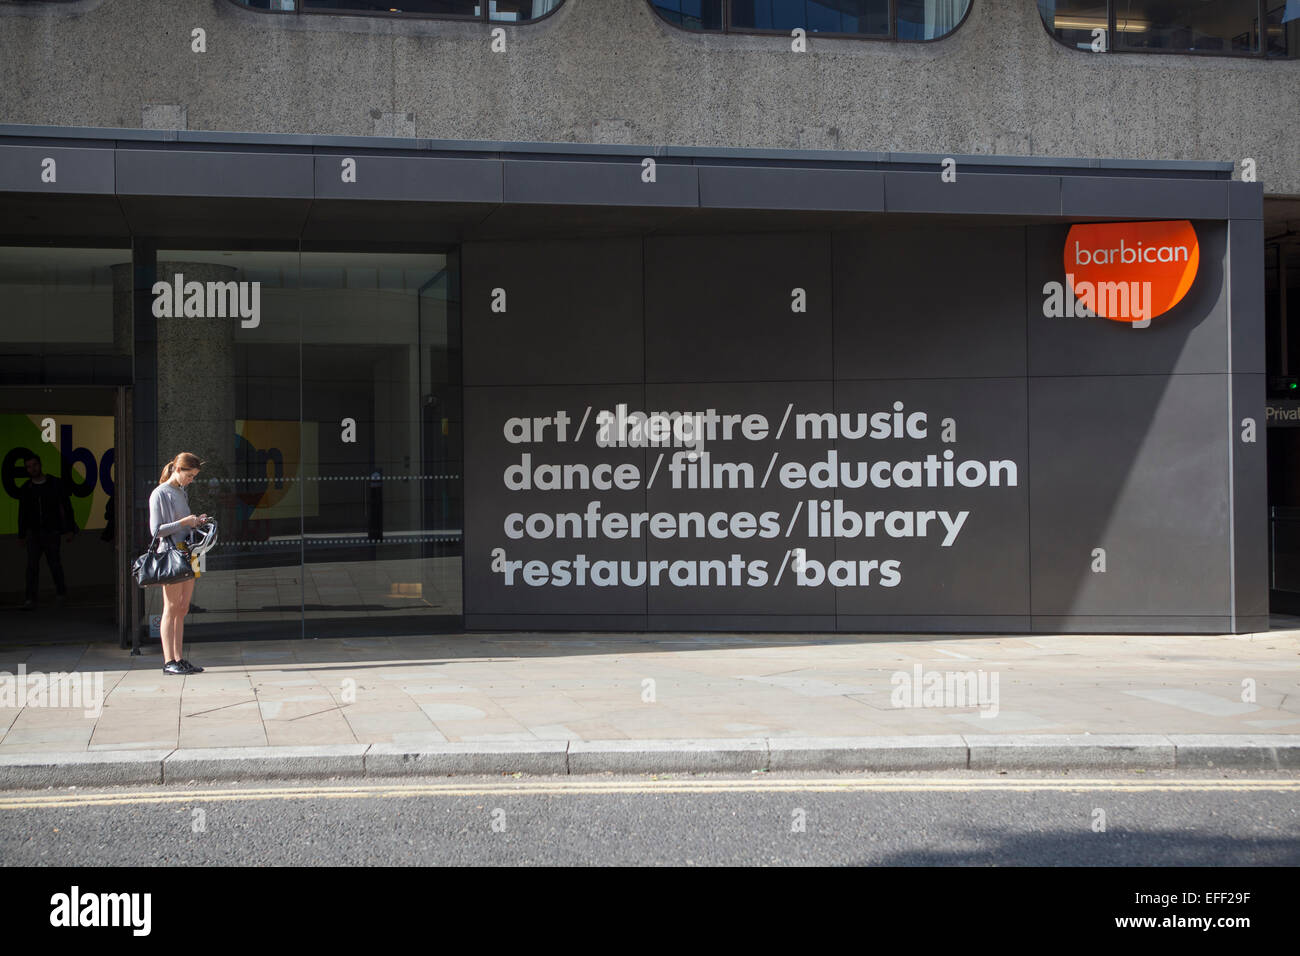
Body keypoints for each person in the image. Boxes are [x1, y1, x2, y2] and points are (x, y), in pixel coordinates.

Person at [149, 452, 209, 676]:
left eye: (194, 476)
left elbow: (181, 525)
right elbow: (156, 530)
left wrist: (196, 522)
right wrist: (185, 521)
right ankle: (168, 660)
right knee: (171, 608)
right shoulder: (160, 493)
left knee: (183, 608)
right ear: (178, 469)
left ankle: (179, 658)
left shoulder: (181, 491)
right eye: (190, 475)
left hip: (188, 552)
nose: (191, 480)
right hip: (171, 554)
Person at [16, 455, 76, 609]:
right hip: (34, 533)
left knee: (54, 564)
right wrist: (22, 534)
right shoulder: (27, 489)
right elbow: (22, 513)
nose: (32, 469)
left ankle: (60, 594)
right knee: (32, 567)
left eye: (34, 465)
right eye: (29, 466)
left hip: (51, 531)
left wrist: (69, 529)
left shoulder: (54, 484)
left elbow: (66, 506)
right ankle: (31, 598)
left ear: (40, 465)